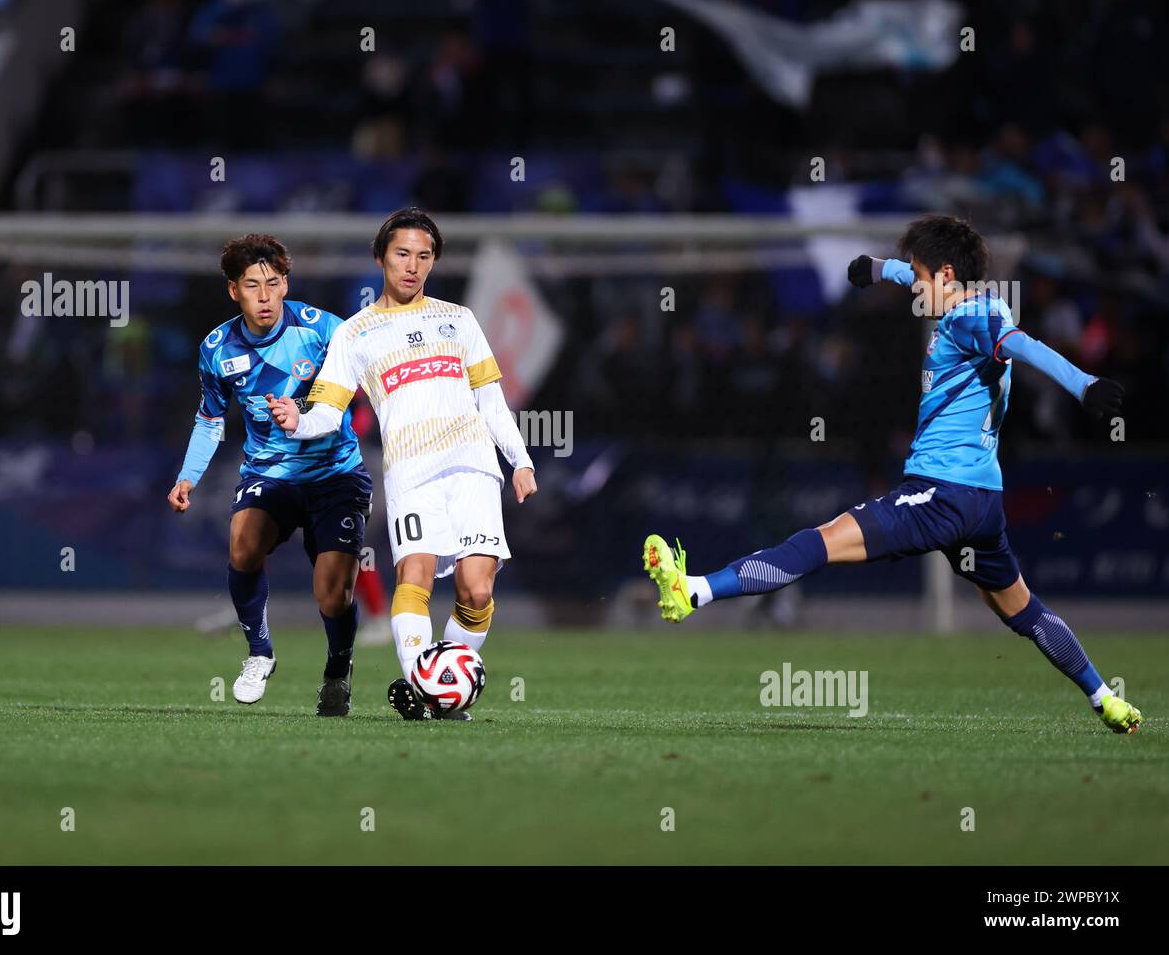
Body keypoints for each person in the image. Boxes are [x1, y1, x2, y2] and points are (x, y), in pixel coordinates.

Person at [643, 214, 1142, 734]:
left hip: (941, 494)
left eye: (920, 274)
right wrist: (878, 269)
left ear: (947, 275)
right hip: (981, 502)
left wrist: (1085, 385)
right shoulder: (958, 300)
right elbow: (914, 278)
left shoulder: (976, 317)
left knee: (819, 542)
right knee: (1023, 612)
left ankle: (693, 589)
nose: (914, 284)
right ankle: (1105, 697)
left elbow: (1025, 345)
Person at [267, 207, 536, 720]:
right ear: (380, 258)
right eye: (402, 254)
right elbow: (328, 408)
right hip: (411, 473)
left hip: (474, 467)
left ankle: (444, 687)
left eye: (424, 256)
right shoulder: (356, 333)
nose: (412, 265)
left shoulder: (459, 319)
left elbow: (490, 398)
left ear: (433, 262)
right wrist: (296, 421)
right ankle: (424, 687)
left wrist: (519, 462)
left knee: (477, 589)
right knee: (415, 573)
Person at [168, 234, 371, 716]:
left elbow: (360, 389)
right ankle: (259, 653)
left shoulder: (323, 329)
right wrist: (187, 476)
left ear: (286, 285)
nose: (265, 296)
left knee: (333, 592)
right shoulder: (217, 349)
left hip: (335, 474)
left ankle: (337, 671)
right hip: (271, 473)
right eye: (252, 285)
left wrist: (308, 410)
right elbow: (210, 419)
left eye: (273, 284)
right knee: (243, 540)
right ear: (233, 290)